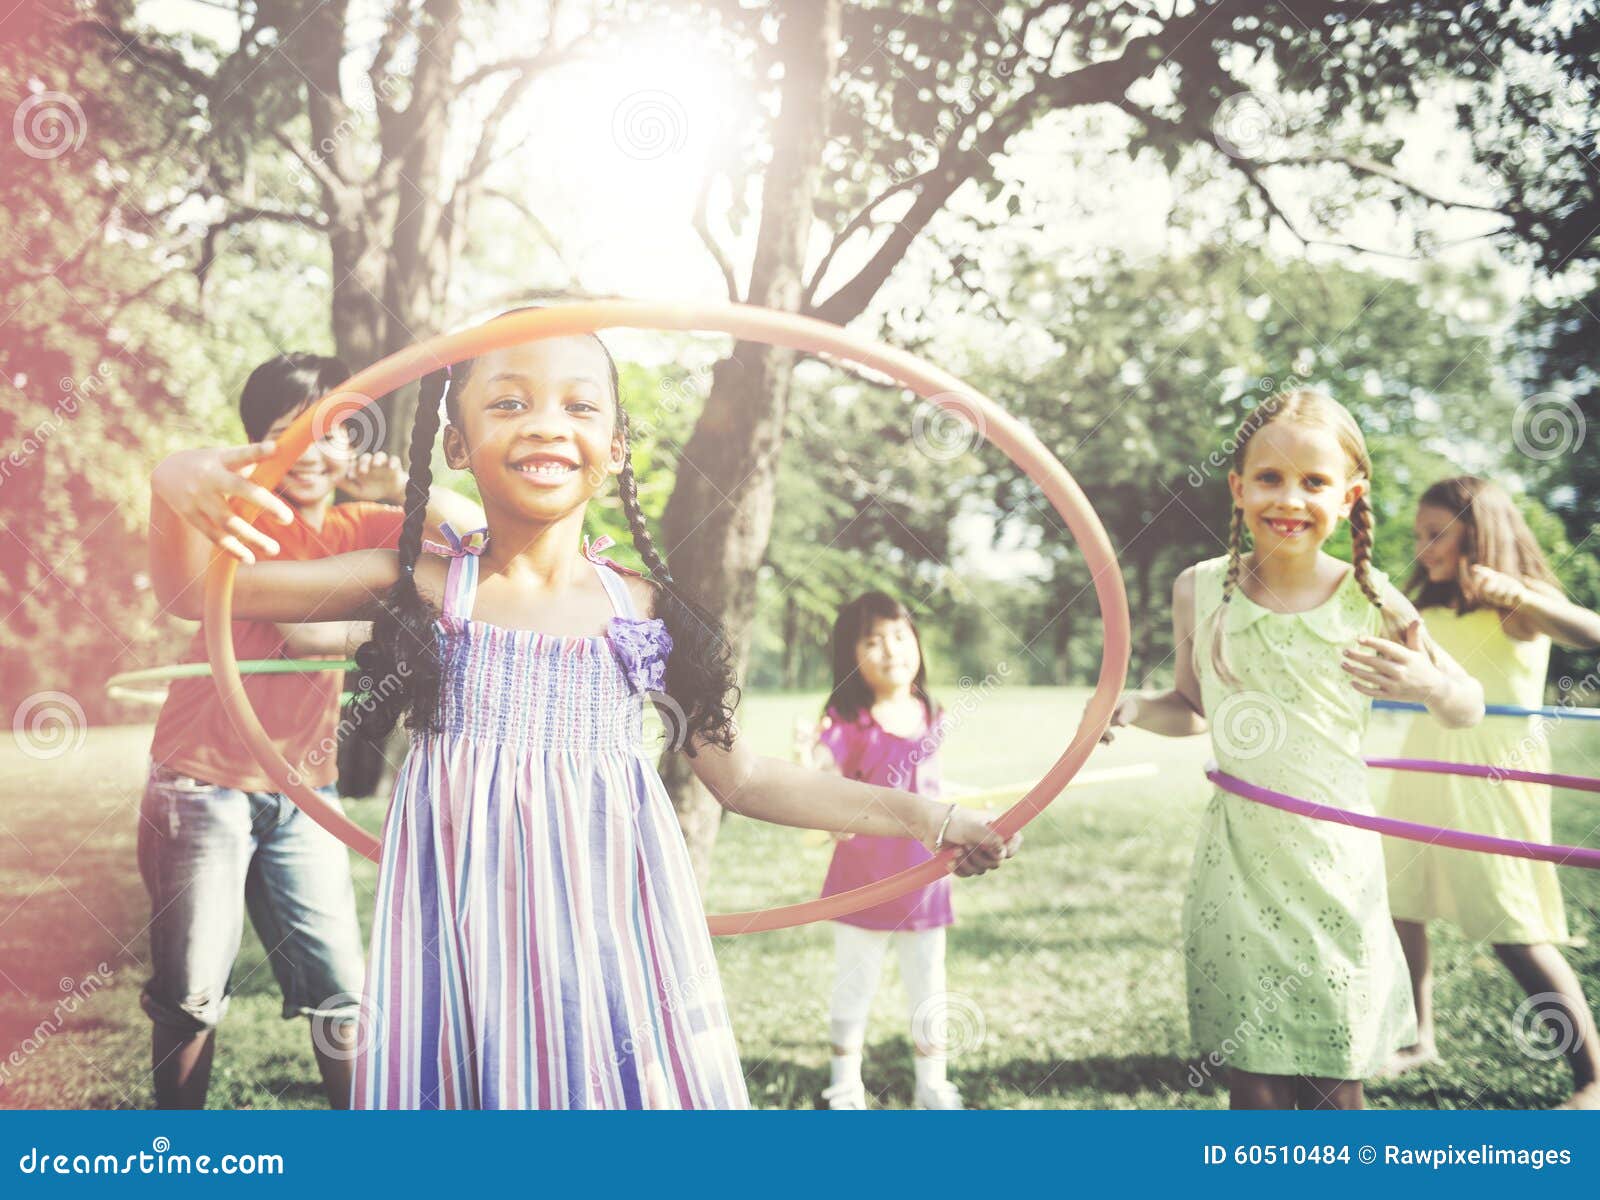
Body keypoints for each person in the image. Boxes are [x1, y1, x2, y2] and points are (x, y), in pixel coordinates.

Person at [176, 329, 1020, 1108]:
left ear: (614, 449)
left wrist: (928, 817)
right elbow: (196, 594)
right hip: (466, 940)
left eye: (579, 406)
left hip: (611, 939)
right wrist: (172, 476)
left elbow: (748, 778)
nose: (546, 425)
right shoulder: (423, 587)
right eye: (509, 402)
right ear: (457, 445)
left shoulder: (647, 612)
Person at [1105, 389, 1483, 1109]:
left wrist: (1431, 683)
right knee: (1254, 1078)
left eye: (1314, 482)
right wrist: (1133, 707)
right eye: (1271, 478)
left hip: (1335, 865)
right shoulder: (1201, 590)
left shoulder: (1370, 598)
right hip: (1239, 864)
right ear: (1238, 487)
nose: (1290, 498)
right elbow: (1192, 708)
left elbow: (1467, 707)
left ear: (1349, 497)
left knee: (1333, 1079)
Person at [144, 352, 476, 1108]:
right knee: (193, 992)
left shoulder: (369, 524)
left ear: (355, 445)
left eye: (333, 432)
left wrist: (406, 489)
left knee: (341, 990)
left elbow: (477, 537)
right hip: (202, 781)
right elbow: (298, 635)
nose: (314, 451)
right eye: (289, 432)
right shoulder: (237, 522)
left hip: (304, 789)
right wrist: (380, 622)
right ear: (256, 443)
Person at [1381, 475, 1600, 1108]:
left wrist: (1521, 590)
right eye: (1420, 535)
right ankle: (1418, 1036)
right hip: (1423, 767)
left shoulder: (1520, 606)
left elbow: (1591, 631)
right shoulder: (1429, 609)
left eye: (1437, 534)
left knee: (1512, 927)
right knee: (1403, 904)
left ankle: (1590, 1074)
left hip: (1494, 779)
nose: (1423, 547)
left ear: (1480, 530)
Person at [799, 592, 973, 1110]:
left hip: (925, 881)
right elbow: (825, 777)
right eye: (872, 641)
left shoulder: (930, 712)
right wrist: (809, 760)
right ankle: (844, 1085)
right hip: (862, 883)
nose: (890, 649)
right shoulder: (847, 719)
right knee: (855, 984)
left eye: (899, 635)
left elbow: (930, 783)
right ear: (850, 656)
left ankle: (932, 1084)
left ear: (916, 642)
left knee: (929, 985)